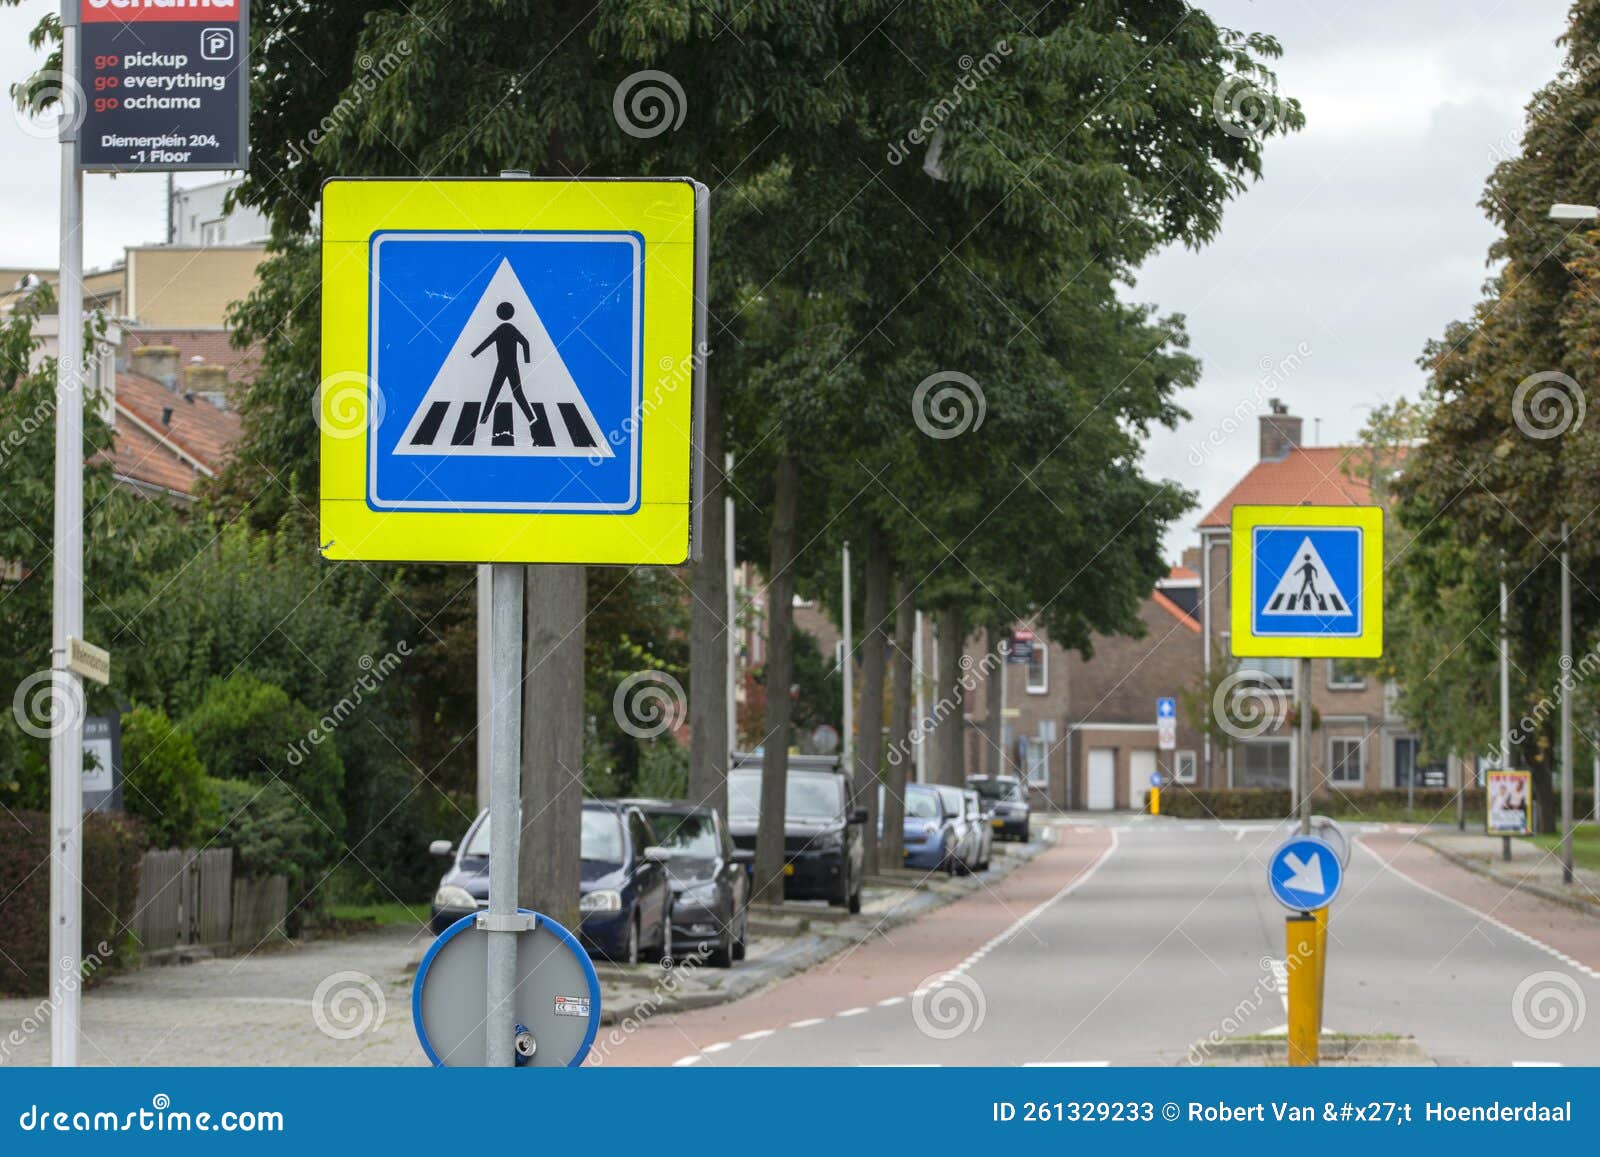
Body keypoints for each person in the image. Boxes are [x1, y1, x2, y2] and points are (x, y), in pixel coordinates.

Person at [473, 302, 535, 424]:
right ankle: (531, 418)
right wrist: (526, 360)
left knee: (493, 393)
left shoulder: (501, 329)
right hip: (512, 366)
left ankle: (483, 420)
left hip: (502, 366)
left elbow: (487, 342)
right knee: (517, 394)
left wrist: (474, 354)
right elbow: (525, 343)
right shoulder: (511, 329)